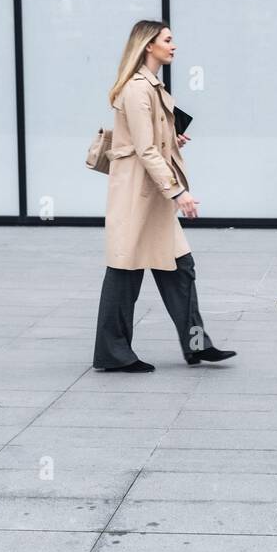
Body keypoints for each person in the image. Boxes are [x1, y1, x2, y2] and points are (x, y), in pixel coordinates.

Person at [92, 20, 235, 373]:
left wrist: (173, 139)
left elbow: (153, 141)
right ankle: (112, 353)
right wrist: (178, 193)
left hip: (150, 195)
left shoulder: (152, 87)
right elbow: (144, 149)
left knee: (180, 268)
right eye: (167, 40)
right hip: (139, 195)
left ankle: (197, 345)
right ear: (148, 45)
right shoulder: (138, 89)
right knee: (124, 271)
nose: (173, 46)